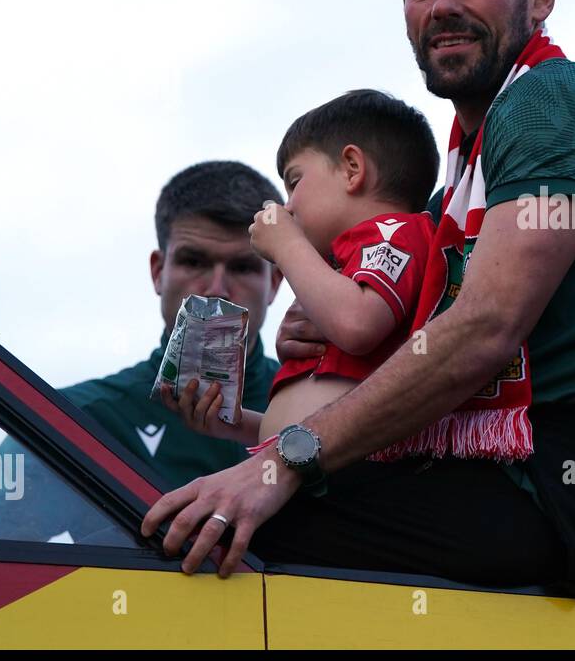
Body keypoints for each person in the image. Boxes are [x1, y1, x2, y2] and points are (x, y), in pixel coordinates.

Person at [142, 0, 575, 594]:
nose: (442, 6)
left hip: (531, 497)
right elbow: (408, 343)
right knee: (193, 514)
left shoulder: (556, 101)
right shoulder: (452, 185)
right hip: (462, 486)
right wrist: (301, 384)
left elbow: (486, 326)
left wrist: (280, 460)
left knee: (201, 537)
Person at [0, 161, 285, 544]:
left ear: (274, 282)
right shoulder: (78, 418)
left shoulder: (329, 411)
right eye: (194, 261)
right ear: (158, 272)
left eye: (243, 267)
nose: (216, 288)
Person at [163, 91, 438, 459]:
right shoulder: (339, 270)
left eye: (294, 182)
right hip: (306, 472)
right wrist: (235, 423)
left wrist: (287, 246)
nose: (288, 205)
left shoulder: (396, 232)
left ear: (351, 169)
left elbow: (356, 325)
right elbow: (308, 418)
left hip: (359, 483)